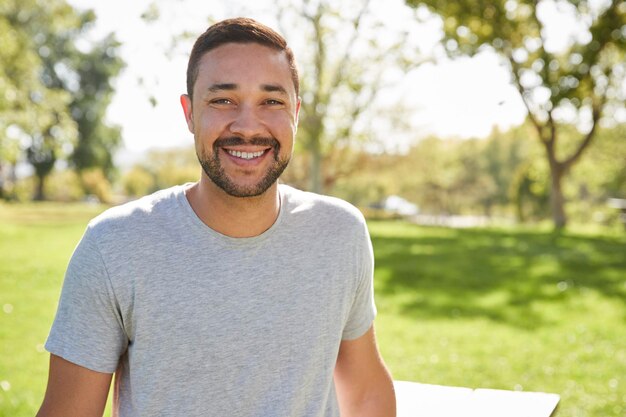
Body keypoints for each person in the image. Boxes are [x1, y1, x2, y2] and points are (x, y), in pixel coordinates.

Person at [37, 17, 396, 417]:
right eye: (223, 100)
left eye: (271, 101)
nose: (247, 126)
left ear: (295, 112)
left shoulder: (340, 233)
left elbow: (365, 394)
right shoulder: (115, 245)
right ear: (189, 113)